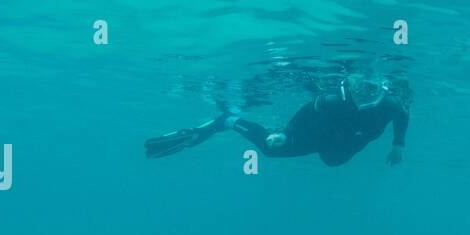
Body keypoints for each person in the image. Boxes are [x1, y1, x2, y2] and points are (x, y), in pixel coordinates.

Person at [144, 73, 409, 167]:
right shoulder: (331, 100)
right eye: (358, 90)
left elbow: (403, 115)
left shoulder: (390, 104)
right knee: (271, 150)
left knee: (334, 162)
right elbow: (306, 113)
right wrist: (283, 133)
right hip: (320, 134)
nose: (364, 96)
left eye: (370, 91)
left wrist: (398, 145)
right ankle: (227, 120)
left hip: (341, 145)